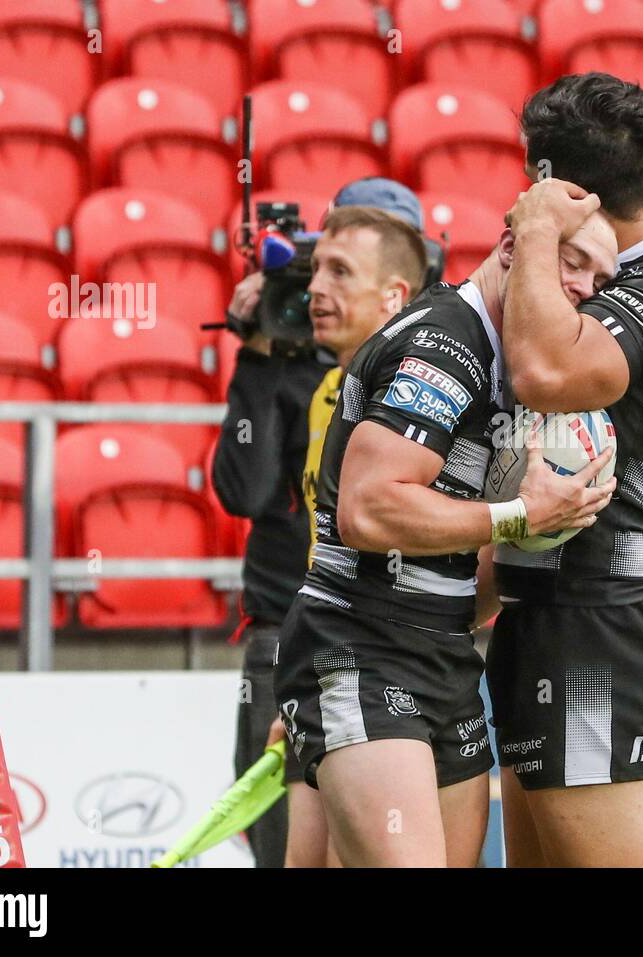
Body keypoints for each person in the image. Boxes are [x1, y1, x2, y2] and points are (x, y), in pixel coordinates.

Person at [273, 210, 620, 867]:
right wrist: (520, 516)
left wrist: (548, 526)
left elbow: (468, 583)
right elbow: (368, 511)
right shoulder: (442, 345)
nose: (583, 287)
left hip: (447, 655)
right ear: (513, 244)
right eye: (571, 261)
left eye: (599, 278)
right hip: (362, 643)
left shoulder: (520, 367)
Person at [486, 72, 643, 867]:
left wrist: (543, 229)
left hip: (597, 619)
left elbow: (544, 372)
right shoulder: (599, 275)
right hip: (541, 611)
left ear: (557, 185)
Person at [216, 179, 430, 868]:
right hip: (289, 633)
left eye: (347, 269)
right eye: (322, 266)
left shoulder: (432, 379)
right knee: (285, 848)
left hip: (390, 646)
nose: (322, 289)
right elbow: (241, 491)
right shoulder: (304, 366)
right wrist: (255, 357)